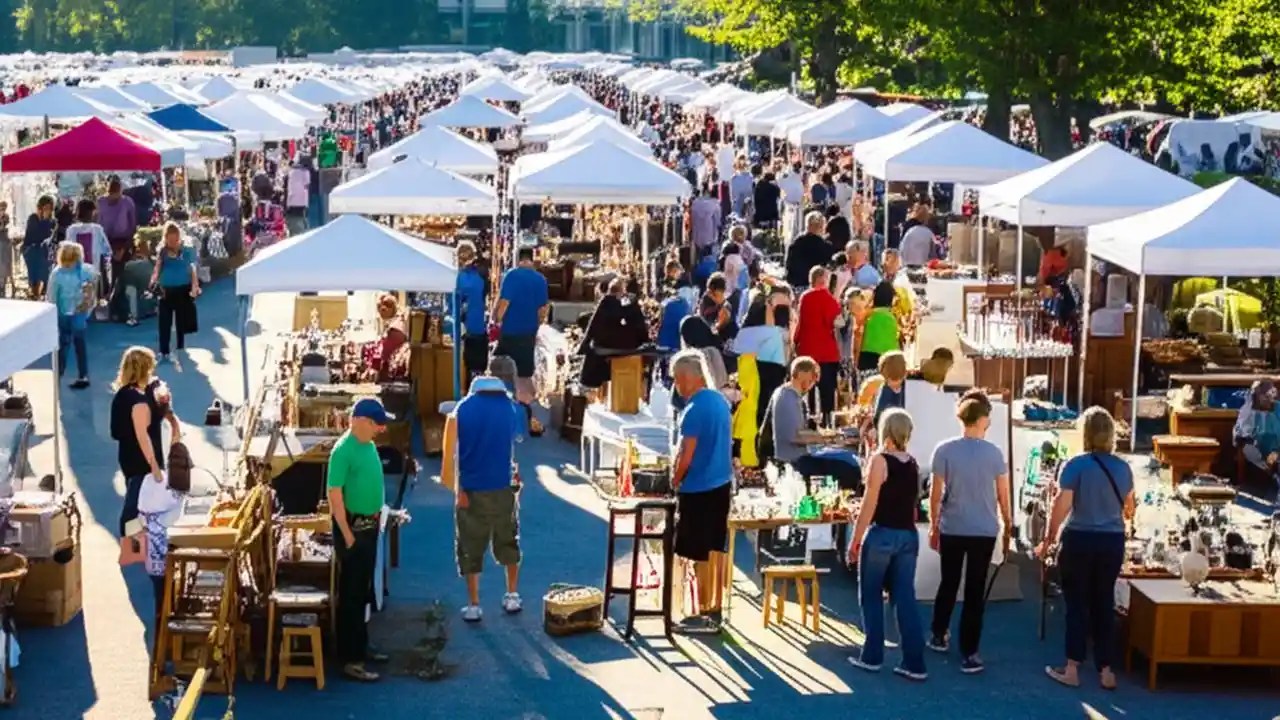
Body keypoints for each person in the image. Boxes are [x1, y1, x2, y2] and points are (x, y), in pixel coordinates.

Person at [1037, 406, 1134, 690]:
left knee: (1076, 603)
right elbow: (1129, 508)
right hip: (1112, 540)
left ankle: (1072, 668)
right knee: (1104, 603)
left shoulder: (1076, 465)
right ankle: (1106, 670)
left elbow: (1061, 505)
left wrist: (1049, 538)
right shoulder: (1123, 467)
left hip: (1079, 538)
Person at [927, 390, 1013, 673]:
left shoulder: (944, 450)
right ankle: (970, 651)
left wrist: (933, 525)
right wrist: (1008, 523)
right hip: (984, 529)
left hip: (954, 526)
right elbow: (1003, 494)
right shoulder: (995, 454)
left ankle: (939, 633)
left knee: (949, 583)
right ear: (982, 420)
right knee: (976, 590)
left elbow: (936, 494)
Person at [847, 408, 927, 680]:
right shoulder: (913, 463)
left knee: (870, 594)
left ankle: (872, 655)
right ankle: (914, 662)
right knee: (904, 597)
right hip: (907, 534)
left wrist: (856, 539)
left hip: (882, 534)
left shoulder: (880, 461)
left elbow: (870, 502)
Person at [453, 359, 527, 622]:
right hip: (502, 486)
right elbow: (515, 440)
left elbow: (454, 455)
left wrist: (458, 488)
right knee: (508, 540)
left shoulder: (463, 408)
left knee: (471, 546)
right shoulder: (511, 408)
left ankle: (474, 604)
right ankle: (512, 595)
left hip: (471, 488)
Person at [327, 398, 393, 682]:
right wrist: (348, 535)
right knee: (352, 596)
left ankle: (361, 646)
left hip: (368, 528)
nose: (381, 428)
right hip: (354, 531)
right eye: (377, 423)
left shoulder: (366, 445)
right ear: (360, 422)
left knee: (363, 590)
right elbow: (335, 495)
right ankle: (350, 659)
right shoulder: (343, 451)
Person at [670, 349, 733, 633]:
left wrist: (674, 479)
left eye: (677, 379)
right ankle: (712, 608)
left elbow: (686, 454)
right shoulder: (720, 402)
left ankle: (704, 613)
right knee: (713, 547)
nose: (676, 385)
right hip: (721, 483)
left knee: (698, 551)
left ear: (687, 377)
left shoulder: (693, 410)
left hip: (699, 488)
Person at [762, 356, 861, 489]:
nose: (814, 382)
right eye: (813, 377)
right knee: (850, 464)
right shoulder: (788, 398)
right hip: (795, 460)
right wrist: (827, 439)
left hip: (798, 454)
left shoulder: (787, 395)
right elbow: (795, 436)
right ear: (804, 375)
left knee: (848, 456)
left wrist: (827, 437)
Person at [110, 347, 179, 537]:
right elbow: (142, 435)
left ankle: (136, 540)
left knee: (138, 499)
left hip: (128, 455)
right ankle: (129, 544)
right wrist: (154, 465)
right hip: (141, 459)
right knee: (135, 504)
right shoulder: (138, 401)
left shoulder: (125, 394)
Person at [494, 247, 549, 404]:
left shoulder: (511, 276)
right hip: (529, 331)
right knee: (525, 372)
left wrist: (497, 320)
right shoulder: (540, 279)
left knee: (502, 368)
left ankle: (506, 401)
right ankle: (525, 407)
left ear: (517, 258)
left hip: (510, 330)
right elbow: (542, 310)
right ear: (532, 259)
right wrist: (536, 325)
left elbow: (504, 303)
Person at [794, 266, 841, 424]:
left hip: (807, 348)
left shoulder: (804, 297)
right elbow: (834, 322)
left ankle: (809, 419)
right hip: (827, 351)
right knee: (827, 390)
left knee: (807, 388)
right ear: (823, 280)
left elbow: (800, 323)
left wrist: (796, 342)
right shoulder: (827, 298)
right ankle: (827, 421)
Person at [46, 242, 96, 389]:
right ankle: (83, 374)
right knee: (79, 345)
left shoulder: (57, 274)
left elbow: (52, 296)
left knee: (64, 343)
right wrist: (88, 309)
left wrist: (51, 313)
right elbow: (91, 291)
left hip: (64, 313)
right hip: (78, 313)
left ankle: (59, 373)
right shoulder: (85, 271)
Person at [149, 223, 200, 361]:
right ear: (165, 238)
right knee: (164, 321)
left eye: (175, 240)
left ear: (179, 237)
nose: (173, 243)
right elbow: (157, 268)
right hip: (166, 290)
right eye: (170, 240)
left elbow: (192, 269)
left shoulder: (187, 250)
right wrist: (152, 283)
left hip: (183, 289)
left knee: (181, 321)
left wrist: (195, 286)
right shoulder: (163, 252)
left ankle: (180, 347)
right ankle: (164, 351)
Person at [454, 241, 489, 386]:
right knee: (478, 371)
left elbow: (456, 303)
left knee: (465, 372)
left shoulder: (460, 278)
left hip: (464, 331)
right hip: (479, 329)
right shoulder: (480, 276)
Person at [98, 177, 138, 287]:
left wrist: (125, 248)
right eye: (112, 194)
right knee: (108, 273)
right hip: (106, 242)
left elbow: (133, 227)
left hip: (123, 242)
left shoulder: (127, 202)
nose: (114, 198)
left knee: (124, 272)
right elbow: (97, 225)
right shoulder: (101, 202)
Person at [64, 199, 110, 287]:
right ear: (92, 213)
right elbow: (106, 250)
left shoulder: (71, 229)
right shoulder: (97, 229)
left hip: (74, 272)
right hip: (92, 272)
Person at [784, 212, 834, 289]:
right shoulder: (826, 247)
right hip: (816, 288)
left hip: (796, 286)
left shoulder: (796, 243)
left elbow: (788, 265)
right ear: (821, 227)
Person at [859, 281, 900, 373]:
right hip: (884, 358)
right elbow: (892, 342)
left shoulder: (868, 314)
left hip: (865, 355)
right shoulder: (891, 318)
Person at [22, 195, 55, 299]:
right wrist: (44, 221)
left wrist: (46, 221)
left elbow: (48, 237)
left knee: (46, 259)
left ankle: (44, 290)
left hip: (44, 252)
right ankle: (35, 290)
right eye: (45, 208)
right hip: (31, 250)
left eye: (50, 209)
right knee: (37, 262)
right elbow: (36, 235)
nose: (48, 211)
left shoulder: (52, 221)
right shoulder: (33, 218)